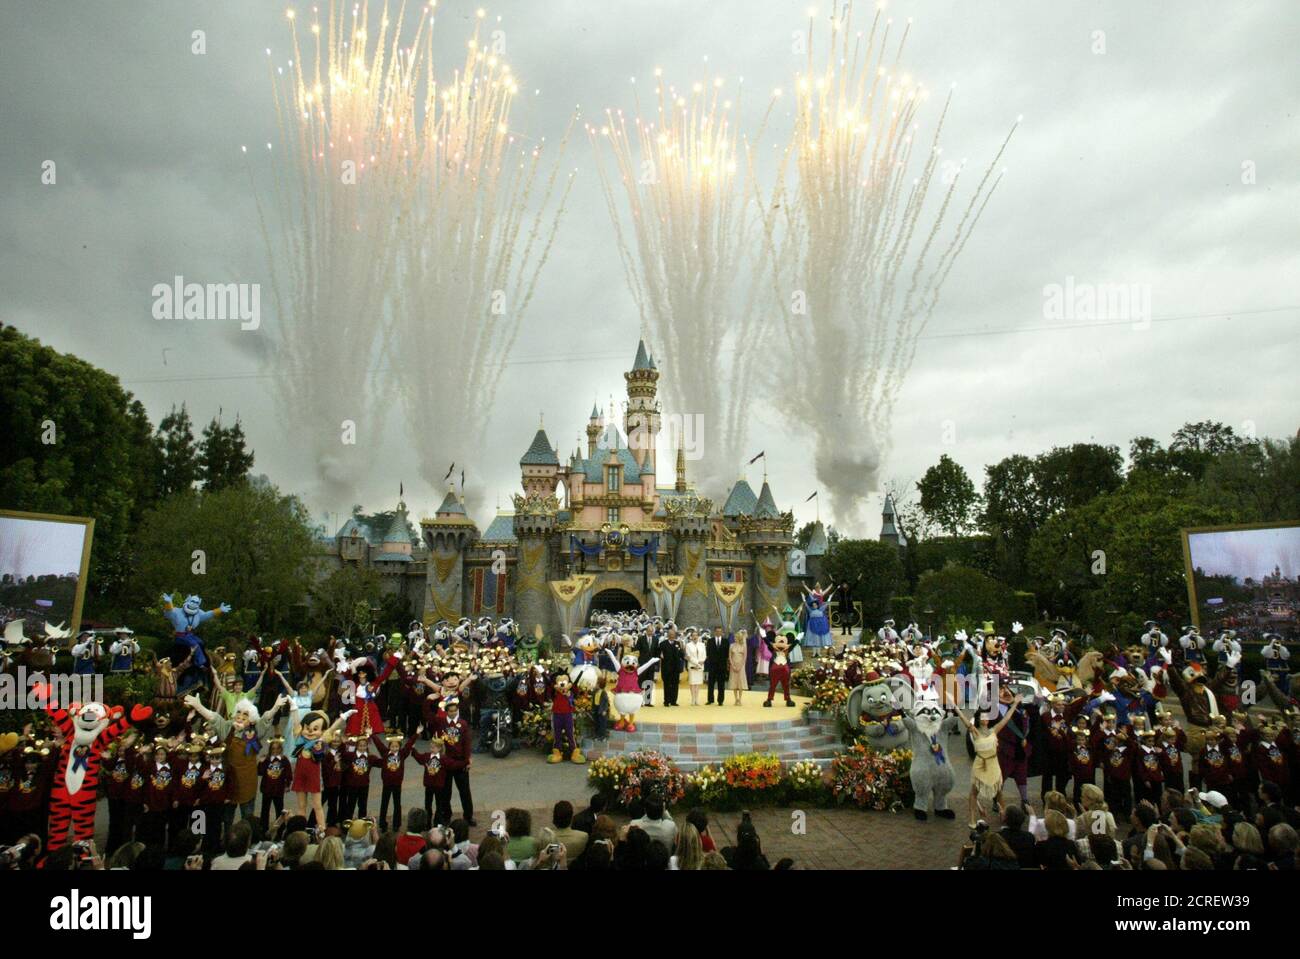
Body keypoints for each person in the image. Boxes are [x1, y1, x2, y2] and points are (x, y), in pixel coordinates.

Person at [956, 695, 1022, 827]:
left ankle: (1005, 817)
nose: (985, 719)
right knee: (974, 791)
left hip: (993, 763)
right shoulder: (974, 731)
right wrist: (954, 706)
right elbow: (964, 719)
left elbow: (1007, 718)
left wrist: (1015, 704)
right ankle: (973, 819)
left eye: (987, 717)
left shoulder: (994, 730)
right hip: (980, 764)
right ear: (979, 719)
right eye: (982, 717)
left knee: (999, 792)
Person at [657, 627, 684, 707]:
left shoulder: (678, 643)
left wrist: (684, 653)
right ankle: (666, 701)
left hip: (676, 668)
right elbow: (658, 653)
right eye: (670, 634)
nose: (672, 636)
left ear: (675, 635)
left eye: (673, 634)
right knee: (667, 685)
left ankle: (673, 701)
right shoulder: (663, 644)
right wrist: (660, 655)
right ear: (668, 635)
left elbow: (681, 654)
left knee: (675, 685)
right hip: (666, 668)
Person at [705, 626, 730, 706]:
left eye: (720, 631)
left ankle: (720, 700)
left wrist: (726, 665)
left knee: (721, 685)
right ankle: (710, 699)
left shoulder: (726, 641)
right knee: (711, 684)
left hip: (722, 667)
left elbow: (727, 654)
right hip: (712, 666)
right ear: (714, 632)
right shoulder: (710, 641)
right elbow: (708, 653)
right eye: (717, 631)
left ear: (722, 632)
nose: (719, 632)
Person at [684, 628, 707, 706]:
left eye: (696, 635)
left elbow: (704, 655)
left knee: (697, 684)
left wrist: (701, 662)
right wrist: (697, 663)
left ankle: (697, 699)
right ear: (691, 637)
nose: (695, 637)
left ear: (698, 636)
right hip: (692, 666)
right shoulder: (688, 645)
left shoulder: (702, 644)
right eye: (693, 635)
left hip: (700, 666)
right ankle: (693, 699)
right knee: (692, 683)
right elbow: (688, 657)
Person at [728, 630, 748, 705]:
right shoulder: (731, 645)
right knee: (734, 682)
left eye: (736, 637)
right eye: (734, 637)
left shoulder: (744, 646)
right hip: (733, 665)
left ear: (739, 638)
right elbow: (729, 656)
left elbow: (745, 657)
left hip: (741, 666)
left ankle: (740, 699)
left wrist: (740, 666)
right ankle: (736, 699)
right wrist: (732, 665)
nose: (734, 638)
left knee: (740, 682)